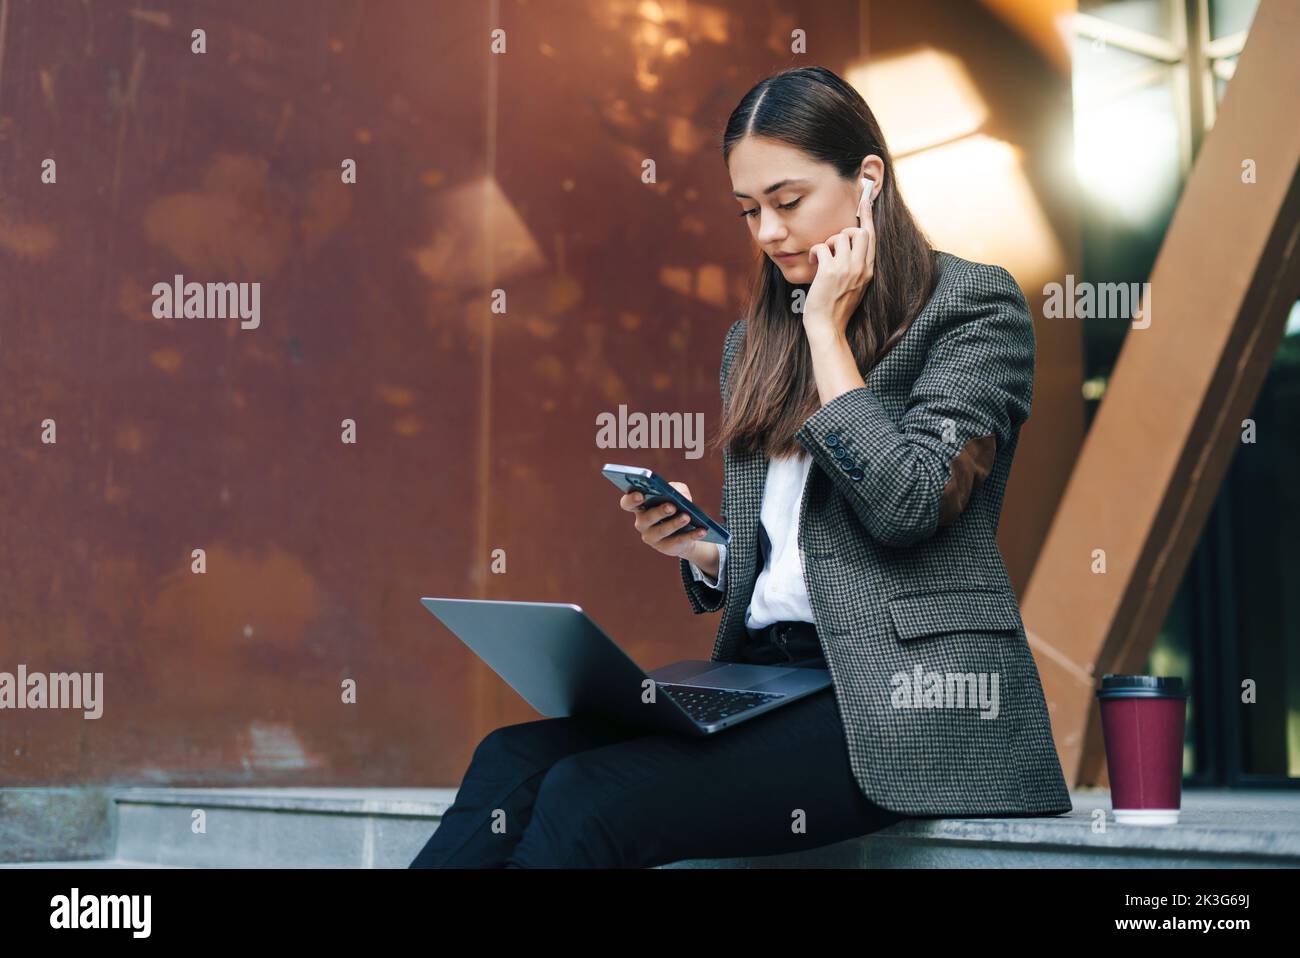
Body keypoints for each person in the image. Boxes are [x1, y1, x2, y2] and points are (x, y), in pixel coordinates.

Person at [409, 64, 1070, 870]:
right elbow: (801, 550)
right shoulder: (754, 341)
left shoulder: (971, 308)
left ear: (867, 181)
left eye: (787, 202)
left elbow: (908, 502)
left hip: (902, 699)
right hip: (768, 681)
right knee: (510, 760)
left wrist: (829, 336)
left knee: (593, 795)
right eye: (749, 210)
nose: (766, 232)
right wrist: (711, 553)